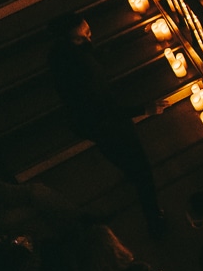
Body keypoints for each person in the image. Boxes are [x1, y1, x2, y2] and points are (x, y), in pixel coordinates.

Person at [46, 13, 166, 237]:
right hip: (104, 123)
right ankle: (154, 220)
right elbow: (103, 108)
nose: (89, 40)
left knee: (117, 155)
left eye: (89, 33)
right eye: (81, 39)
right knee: (142, 170)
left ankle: (128, 173)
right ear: (66, 41)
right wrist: (144, 109)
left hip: (90, 123)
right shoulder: (79, 72)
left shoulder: (62, 54)